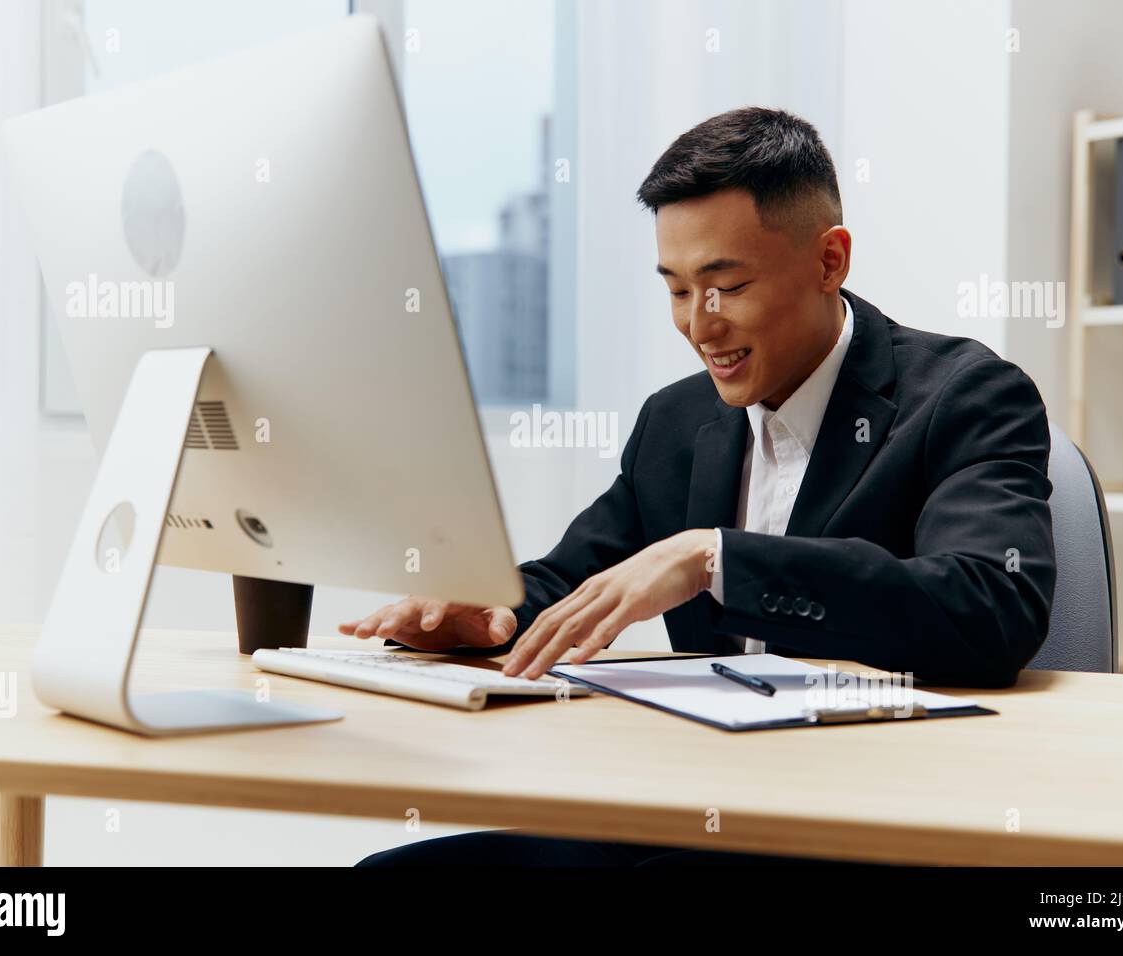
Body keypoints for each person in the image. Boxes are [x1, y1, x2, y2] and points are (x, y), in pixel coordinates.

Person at [348, 106, 1056, 866]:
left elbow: (991, 610)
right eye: (678, 290)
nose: (700, 326)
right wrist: (486, 613)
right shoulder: (677, 422)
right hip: (699, 807)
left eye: (728, 285)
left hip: (868, 827)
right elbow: (575, 578)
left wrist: (718, 559)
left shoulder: (967, 395)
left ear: (830, 261)